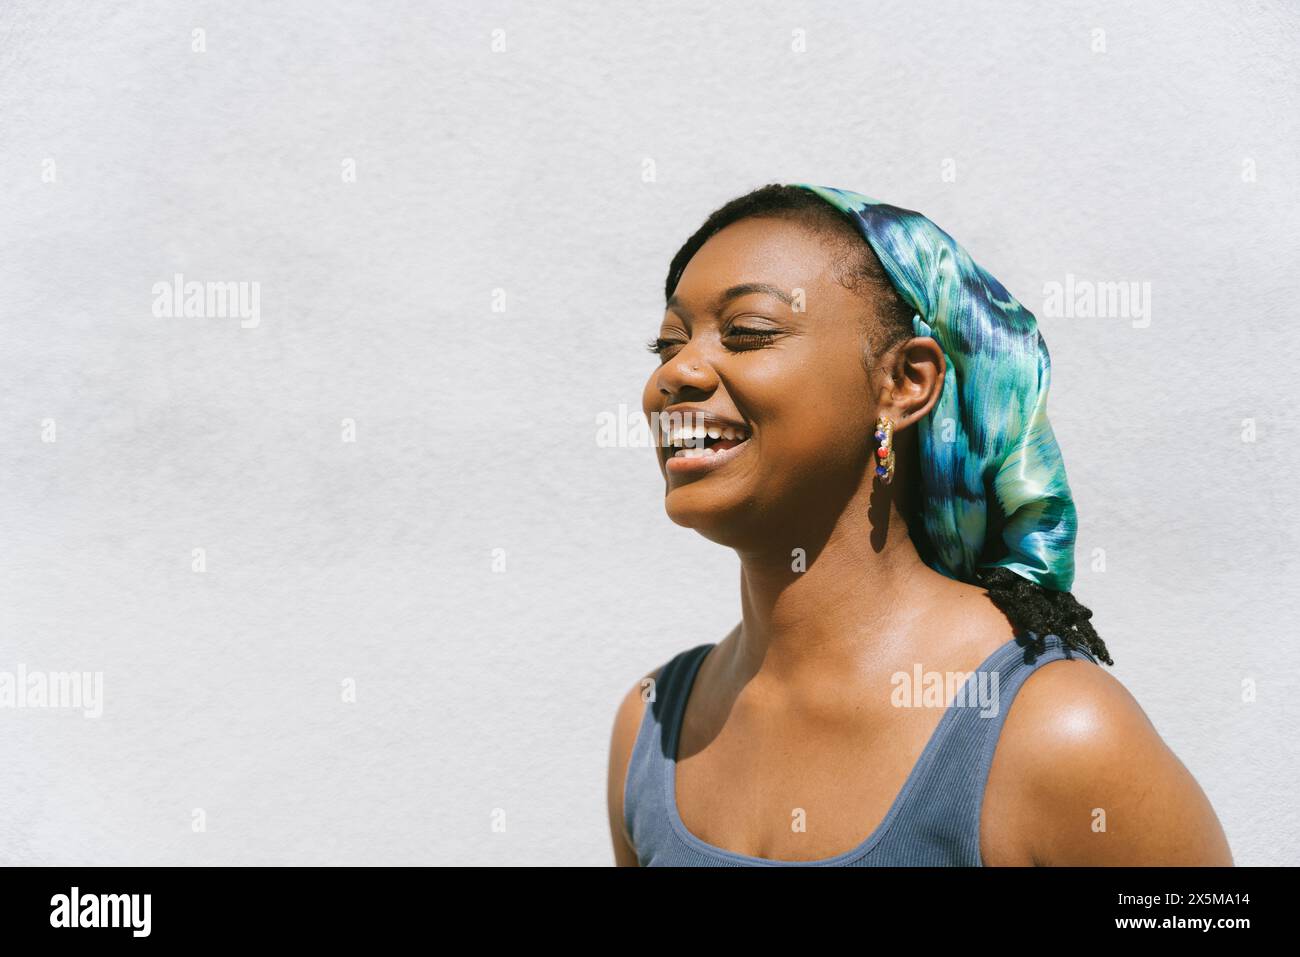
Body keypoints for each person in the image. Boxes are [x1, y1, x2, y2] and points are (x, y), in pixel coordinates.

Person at [604, 183, 1233, 866]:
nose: (678, 372)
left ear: (904, 383)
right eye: (666, 344)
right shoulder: (654, 727)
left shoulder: (1057, 733)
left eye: (748, 332)